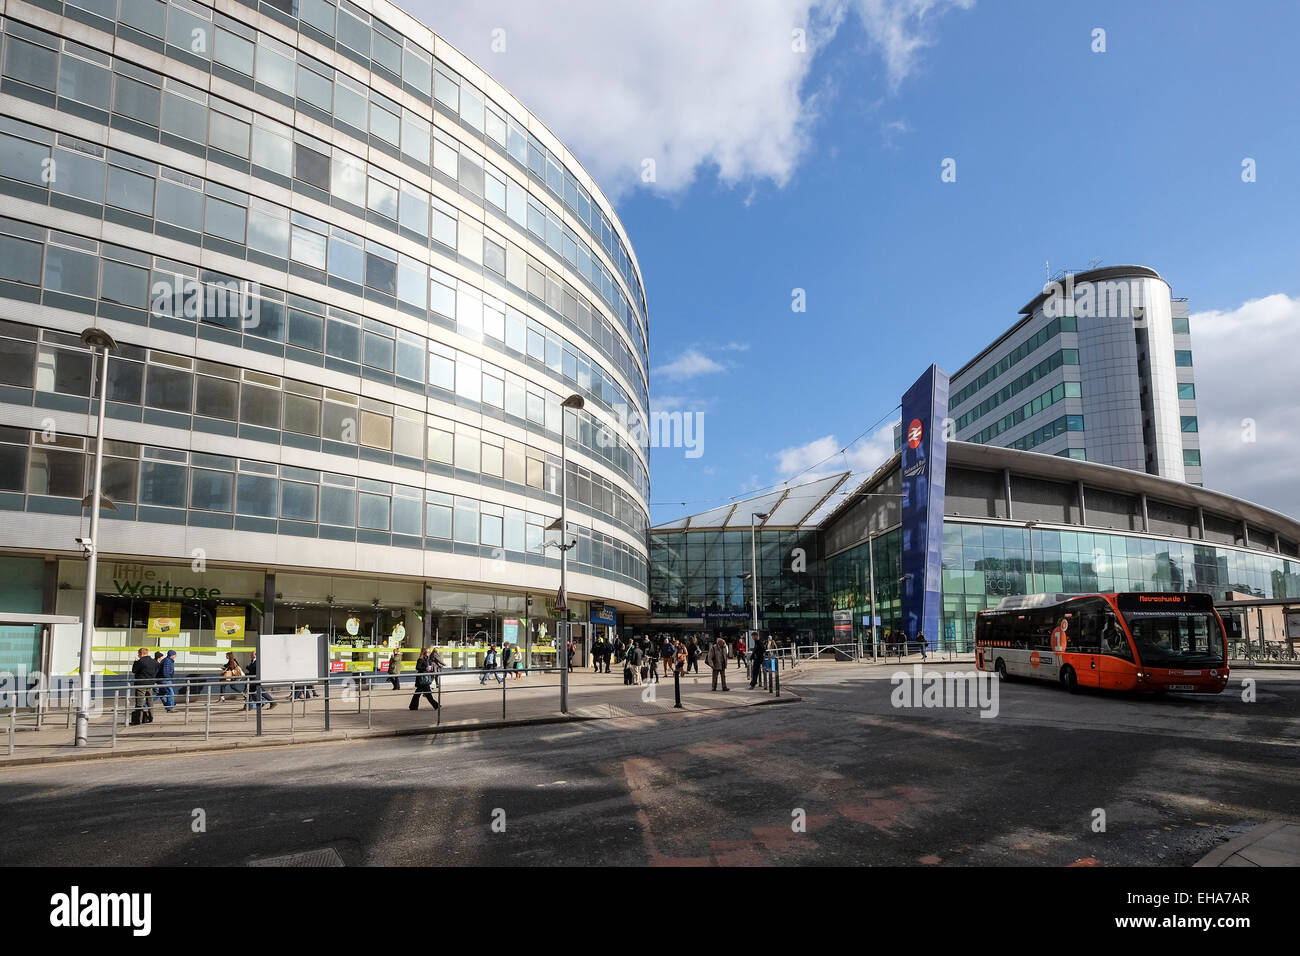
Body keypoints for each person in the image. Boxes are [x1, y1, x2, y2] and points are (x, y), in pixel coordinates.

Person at [130, 647, 158, 724]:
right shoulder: (154, 662)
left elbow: (134, 670)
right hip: (150, 683)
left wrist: (135, 662)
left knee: (139, 701)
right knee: (150, 700)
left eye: (138, 654)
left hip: (141, 684)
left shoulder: (140, 661)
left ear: (141, 653)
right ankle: (151, 717)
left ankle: (138, 719)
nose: (138, 655)